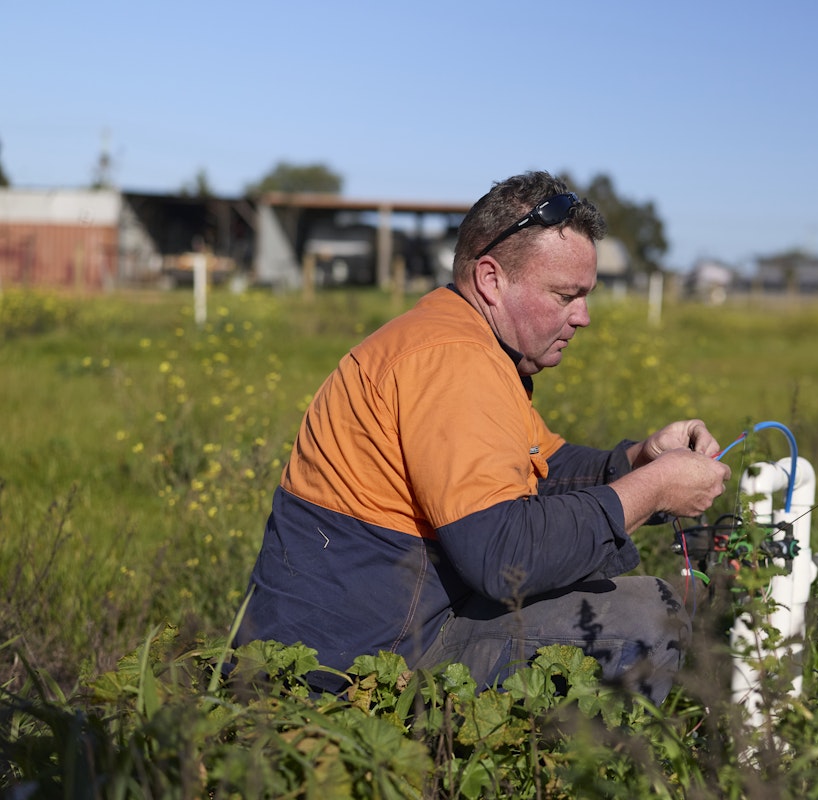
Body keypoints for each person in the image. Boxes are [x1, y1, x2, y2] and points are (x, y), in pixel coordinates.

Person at [234, 171, 731, 703]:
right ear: (491, 280)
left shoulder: (463, 340)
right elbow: (505, 558)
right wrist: (653, 490)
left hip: (381, 635)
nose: (583, 317)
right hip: (351, 674)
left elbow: (545, 468)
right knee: (643, 615)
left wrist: (640, 460)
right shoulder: (453, 360)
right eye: (565, 295)